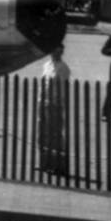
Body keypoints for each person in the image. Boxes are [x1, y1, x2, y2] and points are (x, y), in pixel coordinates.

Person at [38, 44, 71, 175]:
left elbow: (62, 87)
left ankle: (58, 165)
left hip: (55, 104)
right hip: (43, 102)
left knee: (55, 134)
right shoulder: (47, 65)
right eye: (53, 51)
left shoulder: (63, 68)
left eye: (58, 52)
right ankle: (45, 163)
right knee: (43, 134)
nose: (55, 54)